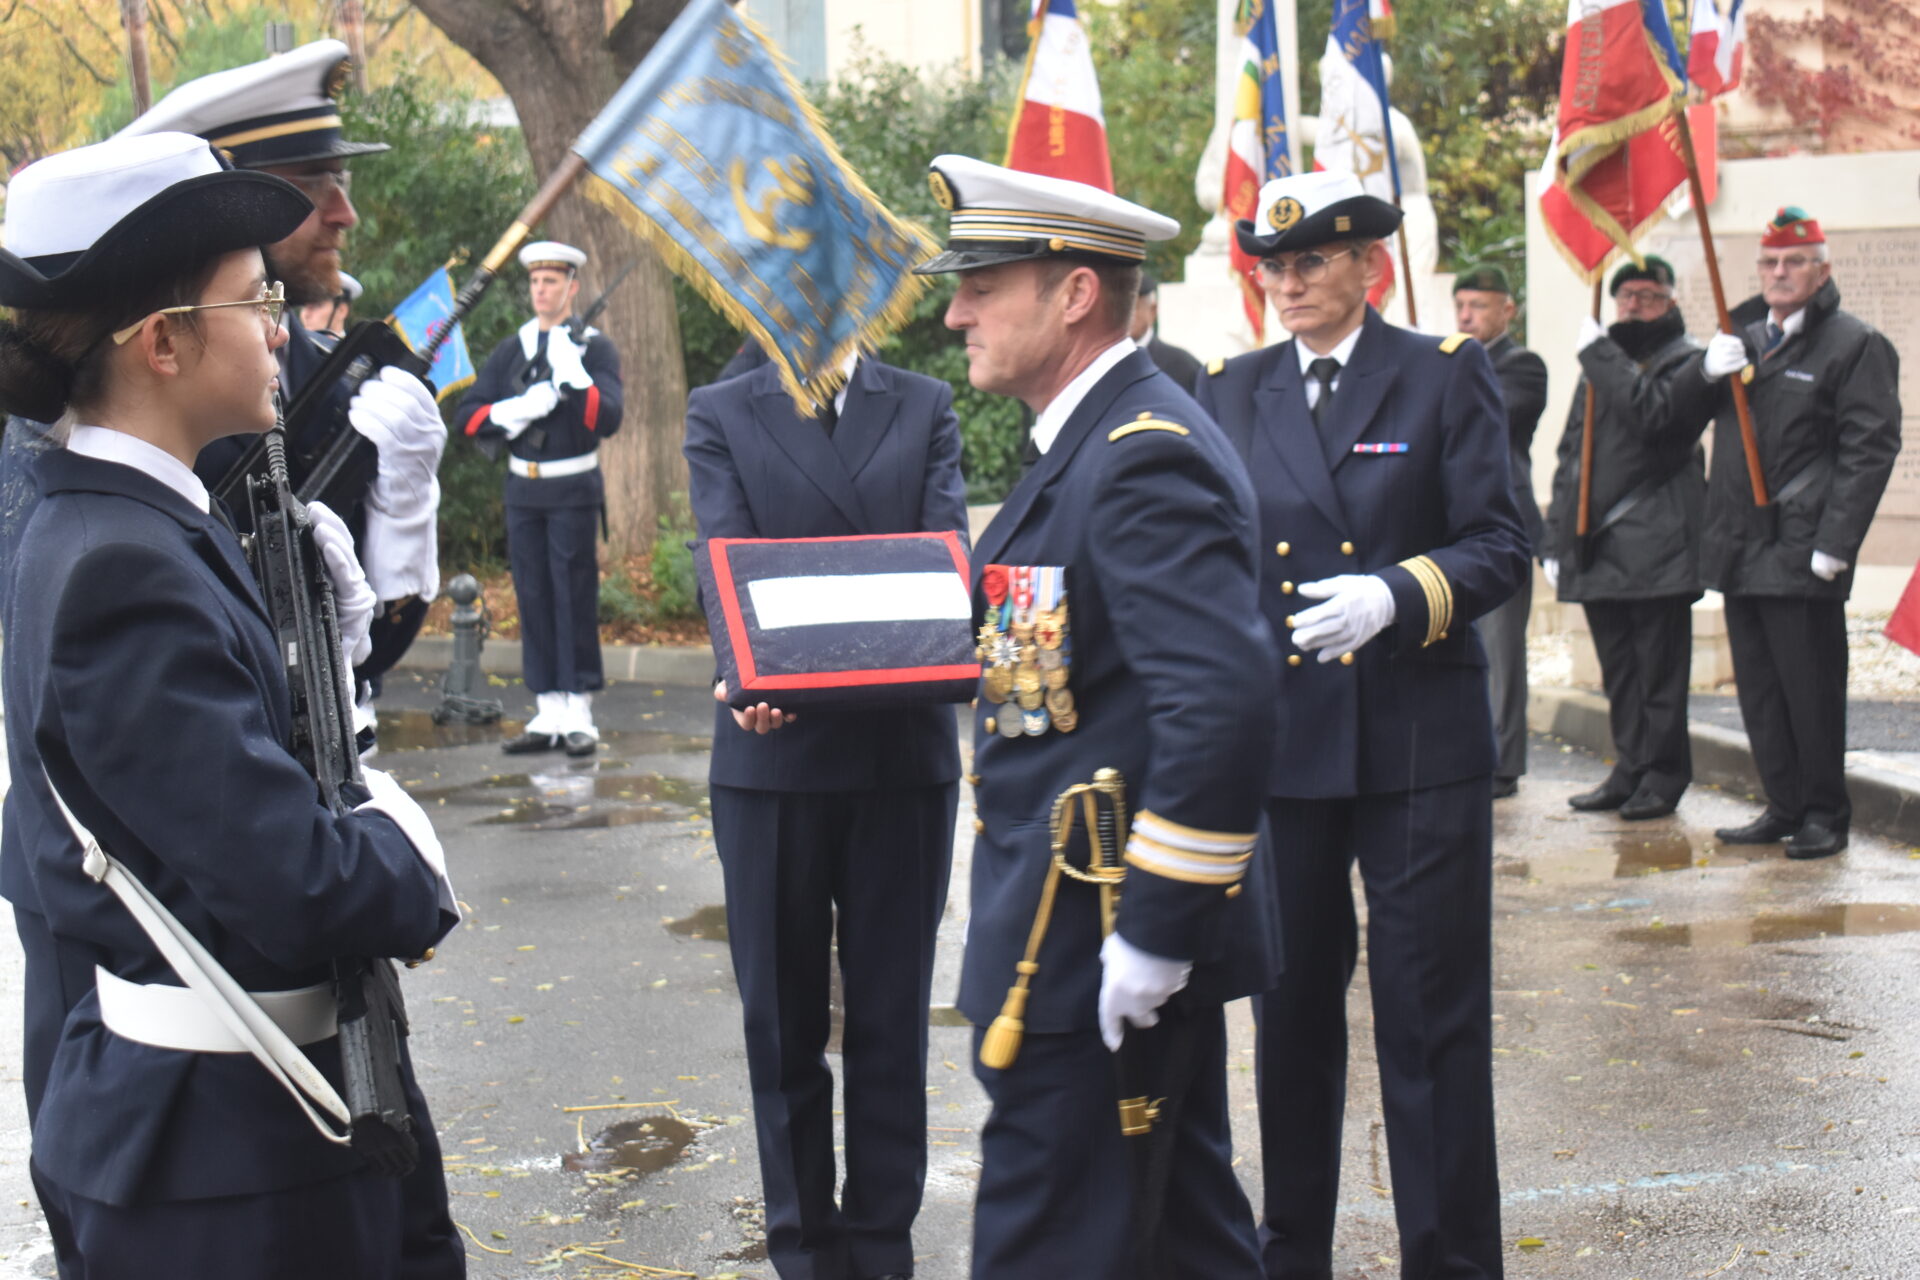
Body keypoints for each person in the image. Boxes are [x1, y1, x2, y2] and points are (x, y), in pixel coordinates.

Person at [0, 131, 460, 1277]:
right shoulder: (120, 564)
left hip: (260, 1123)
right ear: (161, 343)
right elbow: (294, 882)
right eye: (252, 297)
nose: (275, 324)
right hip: (224, 1165)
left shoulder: (143, 526)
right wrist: (405, 849)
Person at [916, 153, 1280, 1280]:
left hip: (1091, 946)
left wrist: (1157, 931)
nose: (954, 309)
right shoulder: (1085, 445)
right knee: (1180, 1238)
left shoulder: (1136, 457)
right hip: (1071, 935)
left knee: (1054, 1245)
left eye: (984, 283)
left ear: (1075, 292)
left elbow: (1221, 705)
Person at [1194, 169, 1527, 1280]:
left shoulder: (1440, 374)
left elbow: (1499, 542)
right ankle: (1292, 1255)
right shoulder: (1233, 389)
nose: (1287, 282)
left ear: (1368, 265)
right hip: (1287, 743)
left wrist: (1397, 591)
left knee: (1429, 1017)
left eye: (1311, 262)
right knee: (1288, 1022)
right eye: (1273, 265)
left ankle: (1451, 1259)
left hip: (1415, 735)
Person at [682, 350, 967, 1280]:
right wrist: (745, 669)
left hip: (902, 757)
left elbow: (941, 558)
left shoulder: (923, 402)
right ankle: (802, 1250)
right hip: (771, 754)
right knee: (782, 1024)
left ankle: (884, 1248)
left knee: (890, 1020)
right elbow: (721, 554)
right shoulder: (722, 409)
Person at [114, 40, 447, 700]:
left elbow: (373, 652)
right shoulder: (136, 388)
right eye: (311, 185)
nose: (343, 213)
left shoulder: (334, 376)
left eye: (340, 182)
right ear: (222, 202)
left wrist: (407, 509)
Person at [1674, 207, 1902, 859]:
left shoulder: (1854, 344)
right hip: (1743, 543)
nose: (1780, 273)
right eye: (1771, 263)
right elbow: (1676, 425)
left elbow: (1870, 447)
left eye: (1795, 261)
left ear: (1822, 269)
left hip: (1804, 546)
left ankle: (1826, 813)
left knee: (1810, 690)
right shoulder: (1741, 337)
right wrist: (1702, 373)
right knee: (1762, 690)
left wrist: (1838, 541)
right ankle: (1784, 804)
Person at [1543, 256, 1707, 821]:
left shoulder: (1688, 361)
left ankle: (1664, 774)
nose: (1633, 306)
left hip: (1657, 545)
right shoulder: (1604, 364)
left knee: (1659, 674)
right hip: (1599, 547)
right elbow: (1572, 454)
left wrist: (1598, 353)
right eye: (1625, 297)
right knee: (1620, 674)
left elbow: (1653, 416)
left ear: (1671, 300)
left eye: (1646, 295)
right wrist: (1556, 540)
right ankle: (1631, 768)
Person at [455, 241, 624, 756]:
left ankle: (579, 712)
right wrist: (519, 409)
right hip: (523, 488)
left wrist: (576, 379)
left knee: (572, 594)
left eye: (552, 281)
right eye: (535, 281)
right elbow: (469, 416)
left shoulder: (595, 348)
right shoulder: (514, 349)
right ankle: (547, 709)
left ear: (573, 287)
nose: (541, 290)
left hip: (572, 488)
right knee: (532, 593)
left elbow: (608, 418)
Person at [1453, 265, 1547, 799]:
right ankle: (1468, 752)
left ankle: (1502, 761)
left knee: (1501, 650)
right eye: (1462, 306)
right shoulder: (1449, 362)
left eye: (1479, 306)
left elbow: (1491, 417)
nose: (1467, 317)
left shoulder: (1521, 365)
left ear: (1507, 310)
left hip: (1502, 524)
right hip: (1451, 526)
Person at [1131, 274, 1203, 395]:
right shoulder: (1101, 362)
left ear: (1152, 310)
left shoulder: (1182, 365)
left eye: (1132, 307)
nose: (1121, 315)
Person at [300, 269, 362, 349]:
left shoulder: (355, 355)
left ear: (342, 311)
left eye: (317, 306)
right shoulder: (293, 349)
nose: (306, 315)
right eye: (304, 306)